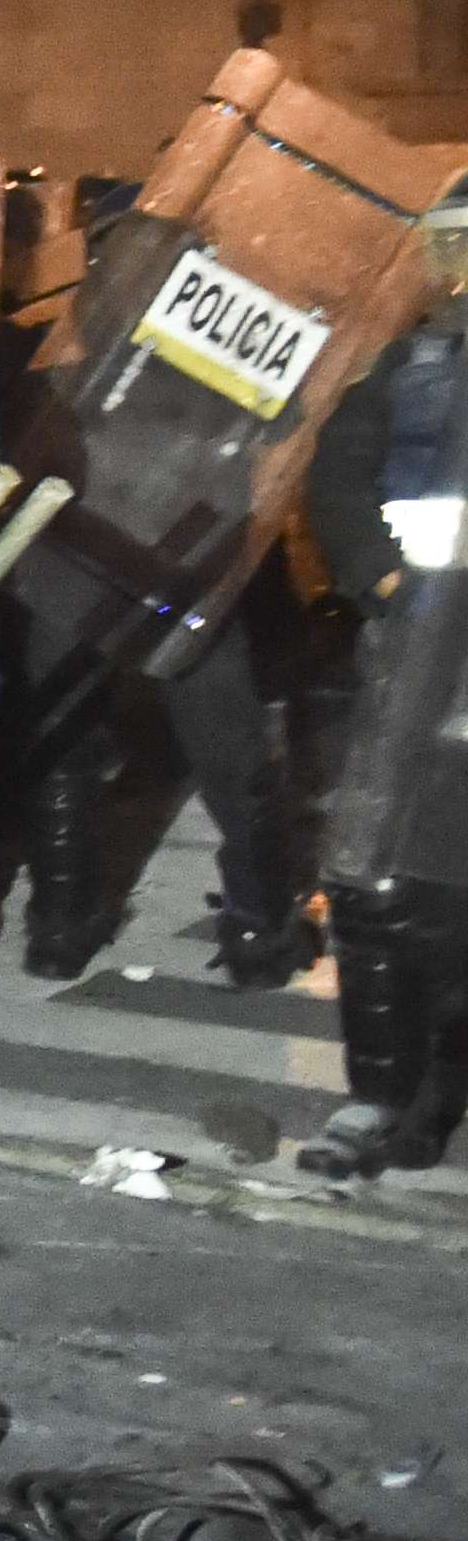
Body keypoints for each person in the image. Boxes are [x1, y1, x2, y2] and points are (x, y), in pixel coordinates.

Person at [291, 169, 468, 1175]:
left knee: (449, 888)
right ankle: (376, 1094)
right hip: (405, 666)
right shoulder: (406, 370)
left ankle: (431, 1091)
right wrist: (381, 581)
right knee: (367, 882)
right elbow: (336, 478)